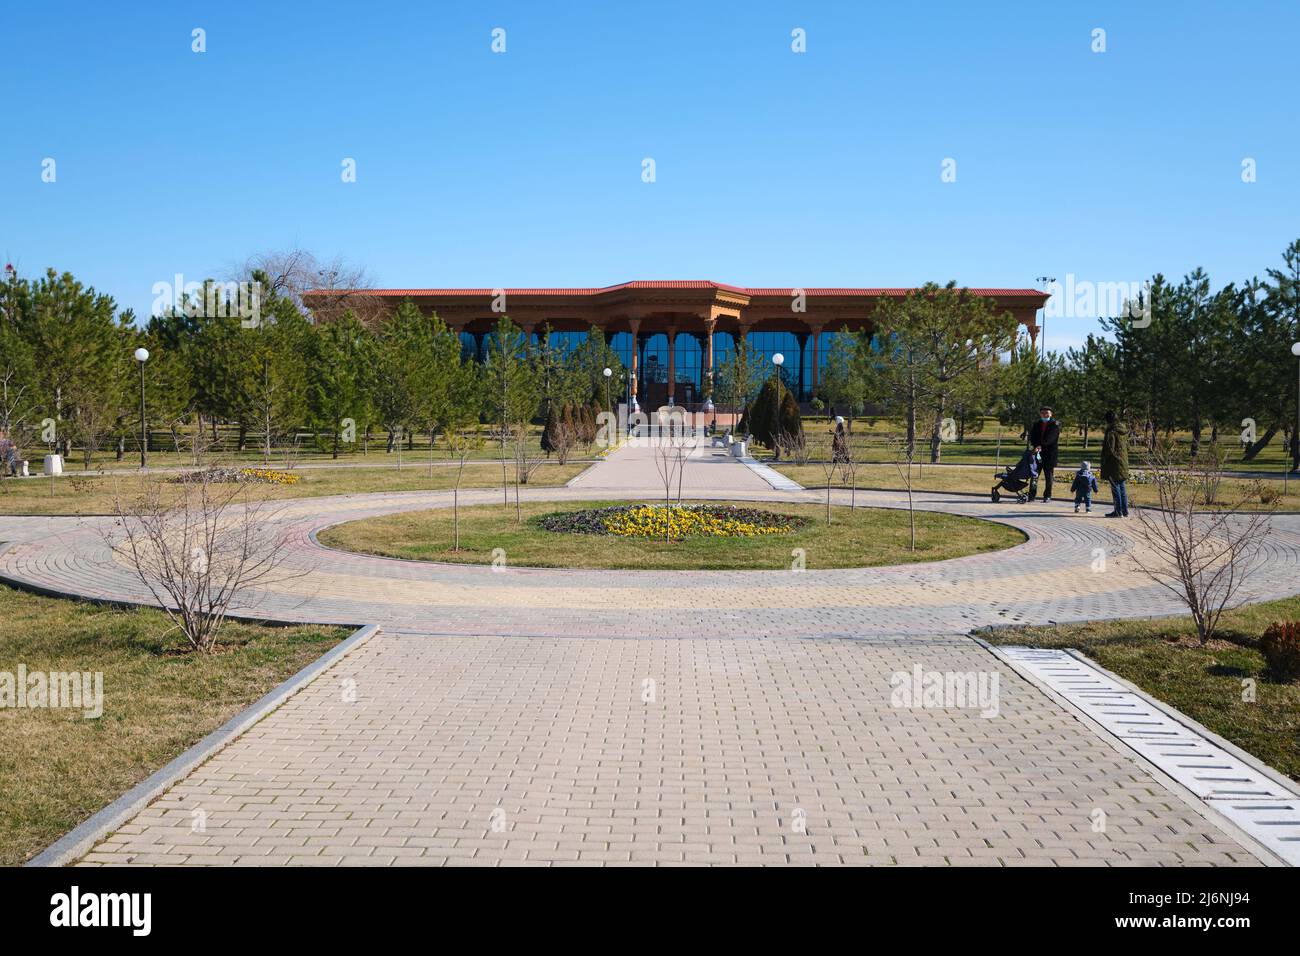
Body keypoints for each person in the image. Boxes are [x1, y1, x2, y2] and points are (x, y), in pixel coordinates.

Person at [1027, 406, 1060, 502]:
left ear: (1051, 414)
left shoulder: (1055, 425)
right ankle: (1031, 495)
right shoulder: (1037, 424)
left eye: (1047, 413)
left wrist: (1040, 446)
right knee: (1034, 475)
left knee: (1048, 477)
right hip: (1037, 454)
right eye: (1042, 413)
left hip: (1049, 454)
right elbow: (1032, 436)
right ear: (1040, 414)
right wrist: (1035, 446)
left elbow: (1051, 438)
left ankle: (1047, 496)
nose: (1044, 414)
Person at [1100, 410, 1130, 518]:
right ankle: (1124, 510)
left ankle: (1118, 511)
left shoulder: (1111, 431)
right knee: (1122, 487)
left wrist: (1104, 459)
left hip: (1113, 463)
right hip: (1123, 462)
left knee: (1115, 487)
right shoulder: (1123, 430)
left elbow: (1109, 449)